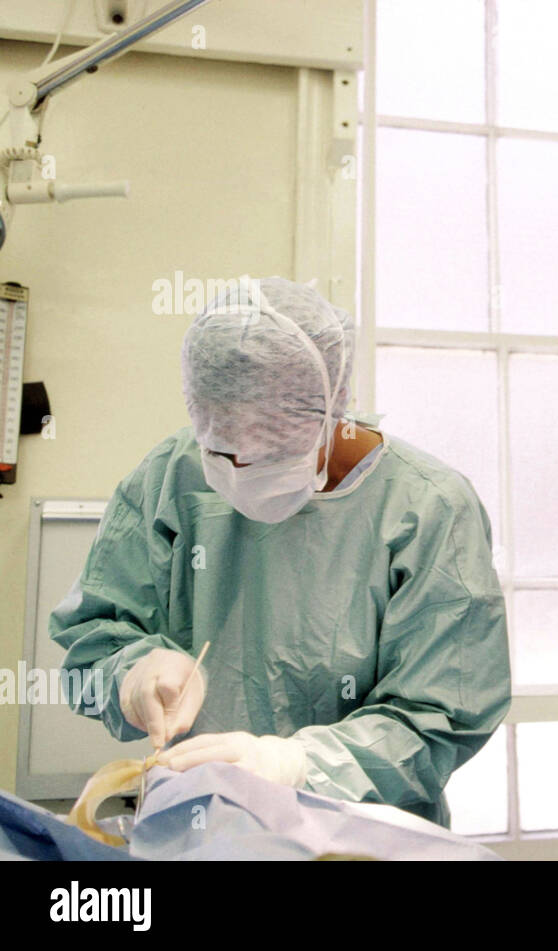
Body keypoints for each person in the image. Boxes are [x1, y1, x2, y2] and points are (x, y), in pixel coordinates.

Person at [50, 277, 510, 826]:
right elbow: (92, 642)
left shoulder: (428, 508)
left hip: (361, 836)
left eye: (274, 450)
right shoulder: (173, 476)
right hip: (200, 824)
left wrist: (295, 764)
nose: (242, 472)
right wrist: (134, 673)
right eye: (222, 450)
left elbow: (441, 716)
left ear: (334, 406)